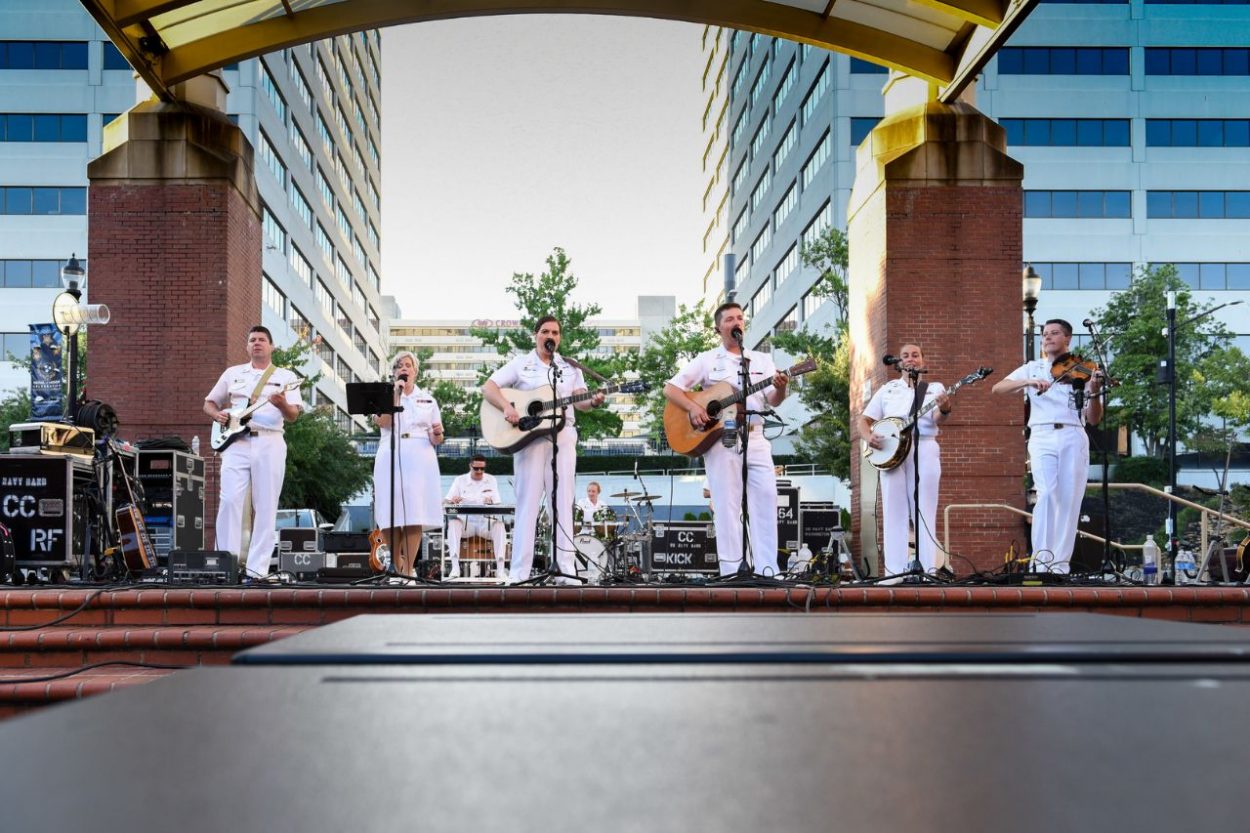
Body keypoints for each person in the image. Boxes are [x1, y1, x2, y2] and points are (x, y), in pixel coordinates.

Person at [663, 302, 789, 577]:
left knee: (767, 499)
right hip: (723, 438)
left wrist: (782, 388)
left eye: (740, 318)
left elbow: (774, 400)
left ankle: (769, 570)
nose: (736, 322)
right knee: (727, 505)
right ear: (719, 327)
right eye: (730, 318)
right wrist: (694, 408)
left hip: (756, 436)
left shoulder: (761, 360)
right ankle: (732, 571)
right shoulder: (708, 359)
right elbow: (671, 388)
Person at [482, 316, 604, 583]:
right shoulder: (521, 363)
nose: (551, 335)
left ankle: (565, 569)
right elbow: (489, 387)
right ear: (536, 335)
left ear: (560, 337)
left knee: (563, 503)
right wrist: (507, 407)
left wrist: (593, 402)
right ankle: (519, 572)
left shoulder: (570, 367)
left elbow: (581, 401)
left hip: (564, 436)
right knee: (527, 504)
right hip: (530, 440)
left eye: (556, 332)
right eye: (546, 331)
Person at [992, 318, 1104, 573]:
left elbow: (1094, 418)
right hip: (1042, 435)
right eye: (1045, 334)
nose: (1047, 337)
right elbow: (998, 388)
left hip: (1073, 434)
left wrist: (1095, 390)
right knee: (1047, 495)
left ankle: (1060, 566)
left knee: (1069, 499)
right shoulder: (1033, 367)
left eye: (1054, 333)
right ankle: (1041, 562)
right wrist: (1027, 382)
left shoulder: (1083, 369)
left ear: (1067, 339)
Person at [204, 325, 304, 581]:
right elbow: (209, 402)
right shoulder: (233, 373)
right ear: (247, 347)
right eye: (252, 340)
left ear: (271, 347)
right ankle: (225, 565)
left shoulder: (286, 376)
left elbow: (293, 416)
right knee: (229, 501)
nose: (257, 343)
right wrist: (218, 415)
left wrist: (282, 404)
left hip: (269, 442)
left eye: (262, 339)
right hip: (236, 443)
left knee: (266, 505)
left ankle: (257, 570)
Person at [859, 343, 952, 579]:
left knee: (924, 509)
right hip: (892, 451)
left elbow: (939, 418)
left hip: (925, 446)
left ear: (923, 360)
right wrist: (870, 438)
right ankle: (894, 572)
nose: (911, 359)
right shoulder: (888, 389)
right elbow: (864, 421)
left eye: (915, 355)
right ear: (898, 362)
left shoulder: (934, 388)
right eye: (905, 356)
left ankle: (927, 570)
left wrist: (945, 409)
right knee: (893, 510)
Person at [372, 350, 444, 577]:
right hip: (390, 452)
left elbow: (437, 437)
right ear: (394, 372)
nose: (404, 368)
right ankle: (395, 566)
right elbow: (383, 422)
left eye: (408, 365)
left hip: (420, 456)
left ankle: (408, 568)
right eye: (399, 366)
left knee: (415, 512)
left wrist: (437, 434)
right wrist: (395, 394)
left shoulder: (429, 399)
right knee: (389, 511)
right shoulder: (385, 396)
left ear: (415, 371)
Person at [445, 454, 508, 580]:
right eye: (476, 468)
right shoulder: (460, 480)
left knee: (500, 526)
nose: (479, 471)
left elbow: (498, 502)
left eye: (482, 469)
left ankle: (501, 570)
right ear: (470, 466)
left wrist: (491, 501)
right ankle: (455, 567)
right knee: (453, 524)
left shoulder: (491, 480)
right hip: (466, 523)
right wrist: (452, 501)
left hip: (485, 522)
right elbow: (446, 501)